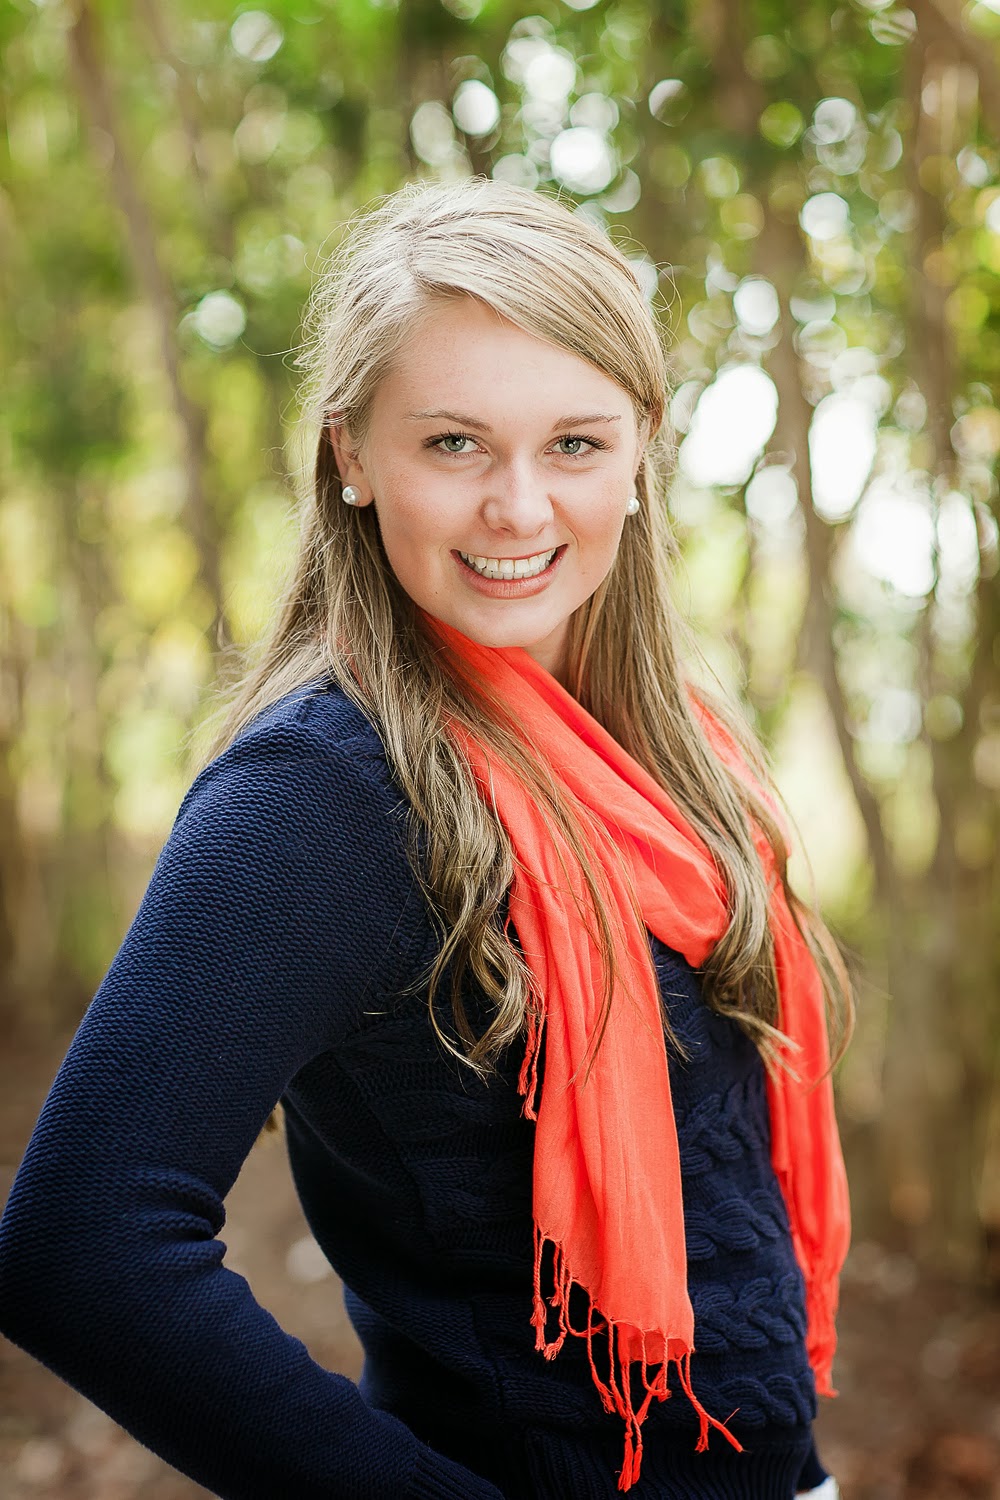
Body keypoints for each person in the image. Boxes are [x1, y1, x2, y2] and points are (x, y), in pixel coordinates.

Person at [0, 177, 851, 1499]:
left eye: (575, 443)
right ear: (351, 454)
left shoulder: (668, 743)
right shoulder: (325, 791)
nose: (519, 508)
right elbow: (77, 1247)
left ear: (644, 450)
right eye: (454, 444)